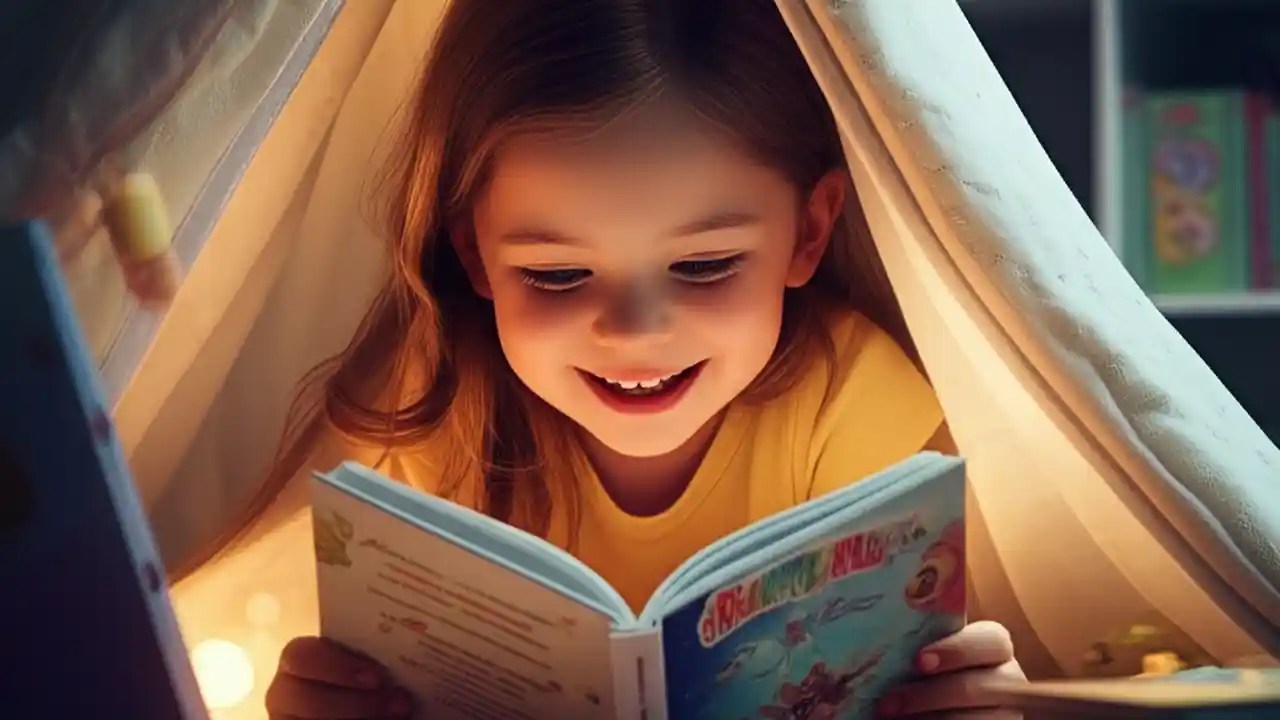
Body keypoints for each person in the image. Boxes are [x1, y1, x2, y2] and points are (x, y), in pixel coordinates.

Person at [261, 0, 1027, 717]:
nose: (633, 333)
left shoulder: (856, 406)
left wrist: (967, 696)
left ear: (808, 233)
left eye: (703, 266)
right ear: (476, 255)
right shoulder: (430, 418)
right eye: (556, 274)